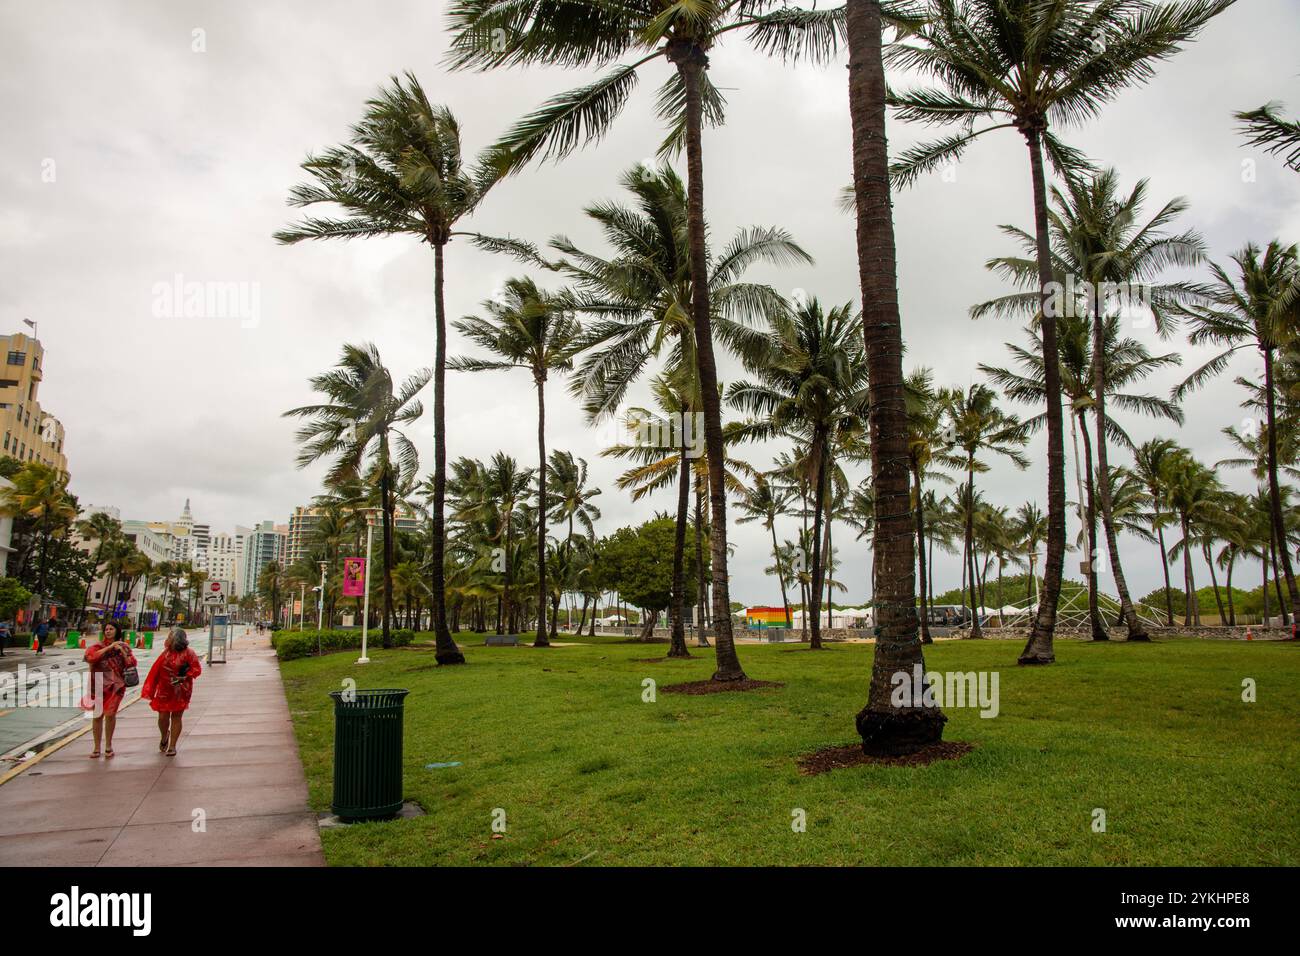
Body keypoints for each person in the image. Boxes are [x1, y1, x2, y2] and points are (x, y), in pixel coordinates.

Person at [140, 627, 202, 756]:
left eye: (170, 637)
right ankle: (164, 735)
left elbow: (196, 669)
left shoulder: (189, 653)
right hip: (164, 689)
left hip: (181, 690)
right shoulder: (165, 653)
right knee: (162, 716)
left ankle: (172, 745)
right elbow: (155, 672)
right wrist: (151, 688)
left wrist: (185, 677)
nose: (167, 639)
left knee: (176, 716)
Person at [82, 621, 136, 758]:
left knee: (110, 714)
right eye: (106, 629)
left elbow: (131, 663)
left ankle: (108, 745)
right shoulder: (97, 646)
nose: (108, 631)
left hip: (116, 685)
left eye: (111, 629)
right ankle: (96, 747)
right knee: (97, 715)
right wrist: (109, 647)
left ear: (117, 631)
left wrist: (122, 652)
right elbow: (90, 657)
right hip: (98, 684)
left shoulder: (124, 646)